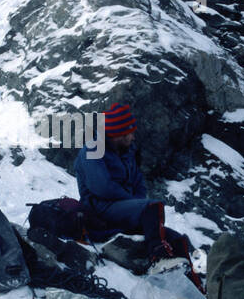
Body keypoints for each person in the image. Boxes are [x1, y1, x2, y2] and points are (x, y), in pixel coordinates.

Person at [73, 102, 194, 271]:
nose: (133, 137)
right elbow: (102, 187)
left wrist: (136, 205)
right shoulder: (93, 150)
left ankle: (196, 282)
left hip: (121, 208)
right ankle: (158, 258)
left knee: (177, 239)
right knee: (152, 207)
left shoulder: (127, 151)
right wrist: (136, 205)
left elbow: (138, 181)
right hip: (99, 210)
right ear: (118, 134)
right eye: (130, 133)